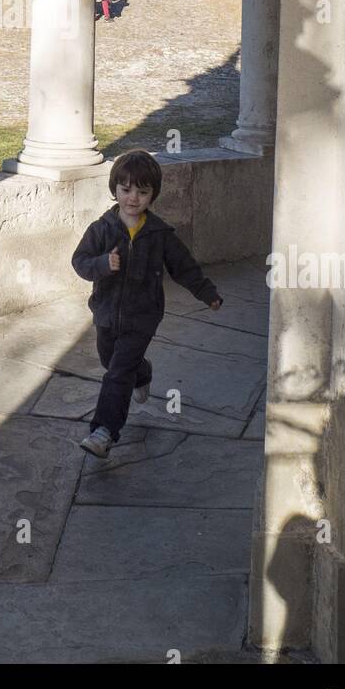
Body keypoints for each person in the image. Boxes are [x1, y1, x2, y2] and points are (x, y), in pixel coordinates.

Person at [71, 148, 223, 457]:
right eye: (126, 189)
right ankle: (143, 372)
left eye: (143, 191)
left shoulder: (159, 234)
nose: (133, 198)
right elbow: (80, 261)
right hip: (106, 314)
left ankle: (104, 431)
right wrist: (102, 264)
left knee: (116, 374)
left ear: (153, 194)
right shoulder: (101, 230)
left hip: (142, 317)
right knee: (110, 360)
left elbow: (184, 266)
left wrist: (207, 292)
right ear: (114, 189)